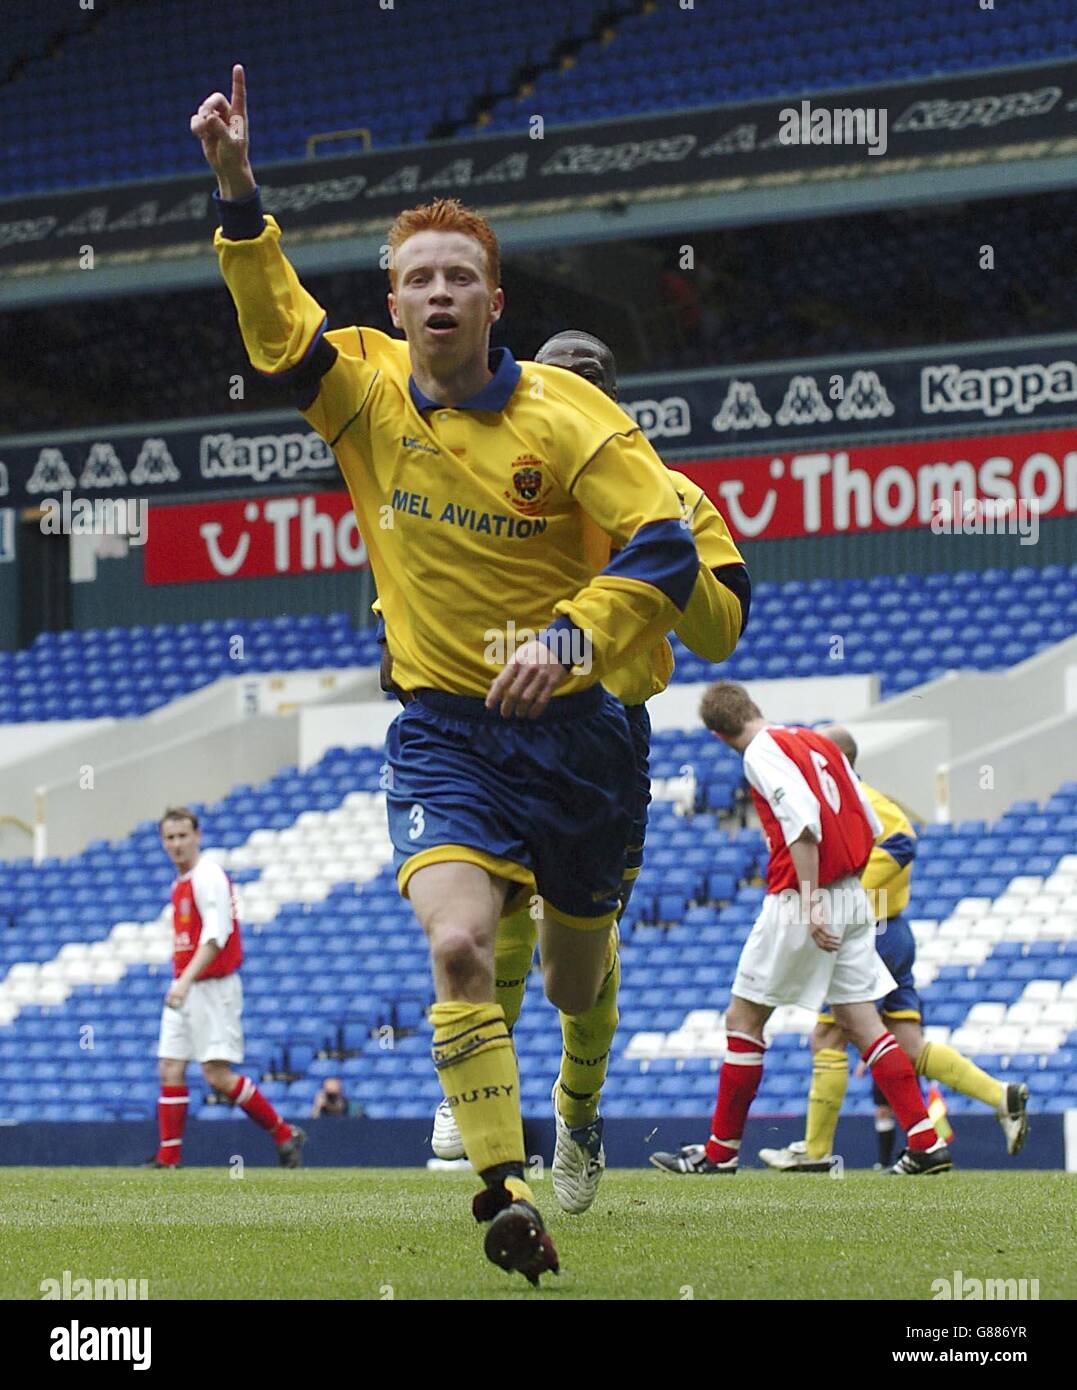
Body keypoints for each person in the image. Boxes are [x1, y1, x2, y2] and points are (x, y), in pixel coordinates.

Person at [193, 67, 699, 1282]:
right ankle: (500, 1182)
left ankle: (578, 1114)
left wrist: (572, 637)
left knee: (578, 973)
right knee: (460, 947)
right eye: (415, 276)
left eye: (456, 277)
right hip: (443, 729)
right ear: (395, 297)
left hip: (579, 738)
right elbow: (279, 336)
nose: (435, 293)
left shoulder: (571, 418)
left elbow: (667, 544)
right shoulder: (363, 391)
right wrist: (239, 193)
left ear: (492, 300)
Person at [423, 329, 750, 1214]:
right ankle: (487, 1098)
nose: (569, 397)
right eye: (554, 383)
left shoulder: (669, 493)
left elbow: (720, 633)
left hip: (607, 733)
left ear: (614, 402)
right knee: (494, 910)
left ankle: (579, 1110)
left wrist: (662, 541)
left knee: (584, 954)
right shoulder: (480, 478)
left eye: (590, 383)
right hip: (493, 717)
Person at [649, 683, 954, 1177]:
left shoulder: (761, 752)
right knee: (862, 1023)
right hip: (855, 895)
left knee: (743, 1021)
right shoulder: (819, 742)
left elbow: (803, 824)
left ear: (718, 734)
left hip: (800, 900)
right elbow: (869, 817)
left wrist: (812, 900)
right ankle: (924, 1142)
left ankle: (720, 1152)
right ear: (755, 708)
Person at [759, 725, 1028, 1172]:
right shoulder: (844, 800)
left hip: (875, 931)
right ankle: (1002, 1097)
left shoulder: (858, 797)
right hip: (892, 931)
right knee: (907, 1044)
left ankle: (815, 1152)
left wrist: (850, 898)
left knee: (827, 1034)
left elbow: (902, 839)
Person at [150, 808, 306, 1168]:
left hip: (212, 987)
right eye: (169, 838)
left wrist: (185, 980)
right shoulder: (182, 882)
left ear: (197, 836)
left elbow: (216, 936)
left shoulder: (209, 876)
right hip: (187, 985)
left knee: (216, 1075)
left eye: (182, 836)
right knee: (170, 1067)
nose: (176, 844)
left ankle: (283, 1133)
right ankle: (168, 1158)